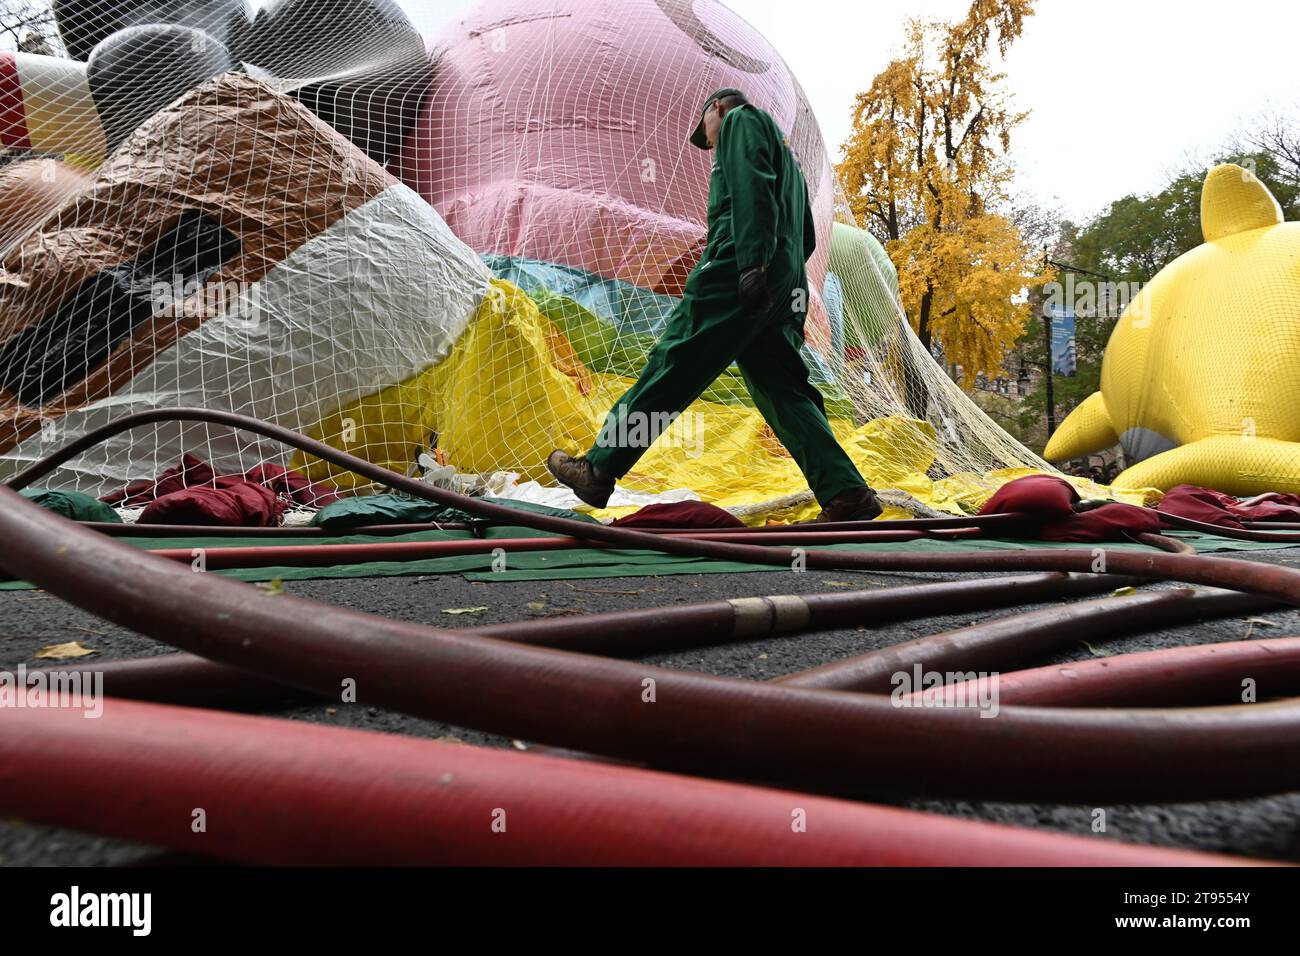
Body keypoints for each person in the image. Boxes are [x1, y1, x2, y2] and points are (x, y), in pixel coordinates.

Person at [546, 88, 881, 522]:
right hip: (785, 285)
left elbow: (750, 187)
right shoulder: (792, 163)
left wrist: (751, 265)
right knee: (785, 392)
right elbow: (807, 236)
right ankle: (847, 494)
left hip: (735, 266)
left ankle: (599, 468)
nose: (709, 144)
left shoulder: (742, 122)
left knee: (675, 364)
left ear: (717, 110)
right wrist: (779, 277)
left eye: (707, 131)